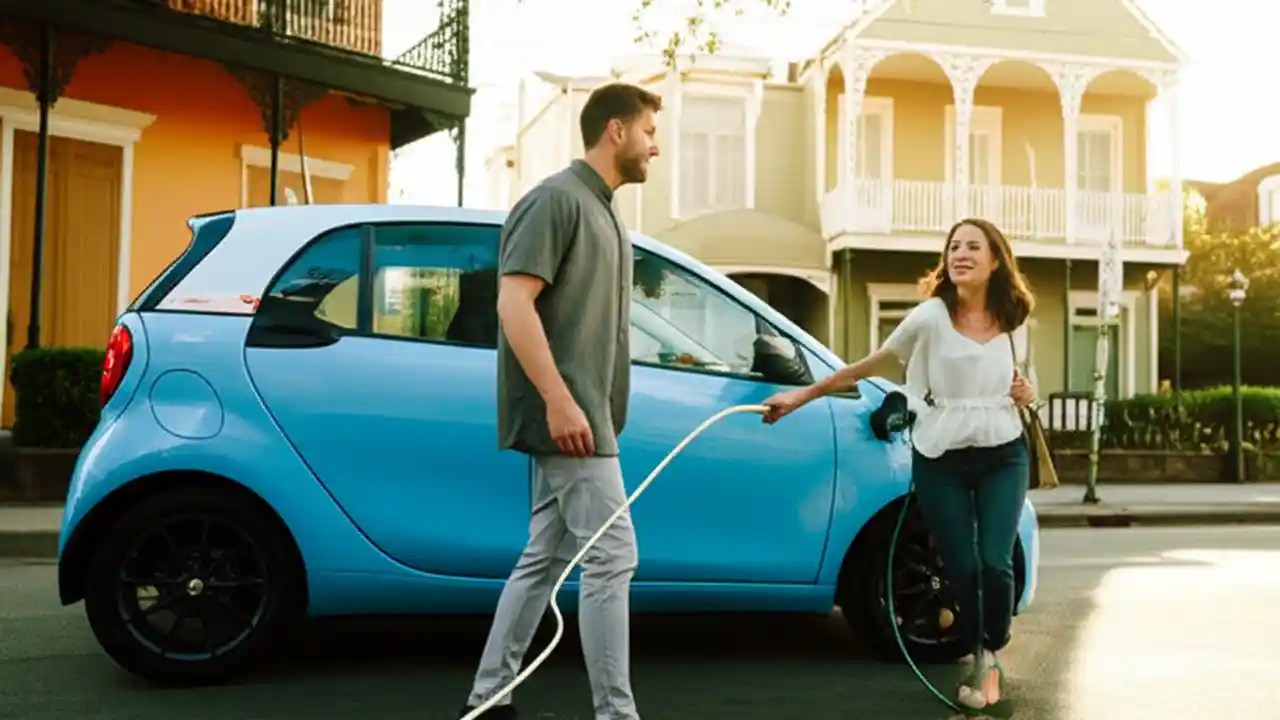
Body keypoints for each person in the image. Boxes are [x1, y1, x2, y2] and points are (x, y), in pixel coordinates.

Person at [760, 217, 1038, 711]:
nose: (961, 254)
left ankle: (990, 647)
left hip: (1003, 453)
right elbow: (868, 365)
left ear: (996, 260)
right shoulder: (931, 316)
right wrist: (802, 396)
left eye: (974, 247)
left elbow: (1025, 386)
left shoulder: (1013, 318)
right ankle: (980, 657)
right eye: (954, 247)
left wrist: (1026, 392)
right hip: (941, 459)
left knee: (995, 565)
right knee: (963, 566)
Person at [457, 82, 662, 720]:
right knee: (612, 555)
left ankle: (489, 697)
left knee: (543, 558)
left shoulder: (604, 209)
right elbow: (512, 302)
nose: (657, 147)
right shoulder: (555, 200)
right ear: (617, 132)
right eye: (650, 132)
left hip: (586, 418)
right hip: (570, 422)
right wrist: (559, 402)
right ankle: (615, 713)